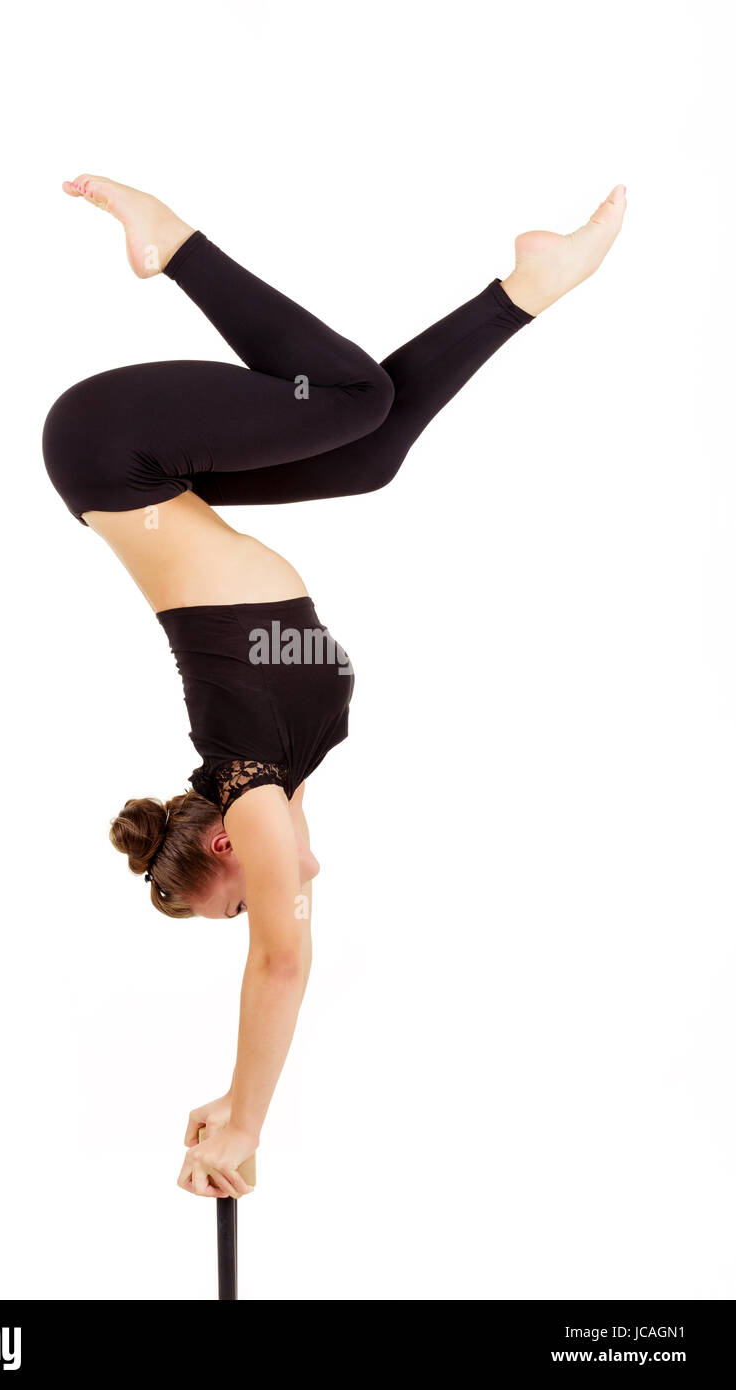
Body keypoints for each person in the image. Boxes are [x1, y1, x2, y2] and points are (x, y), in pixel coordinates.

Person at [42, 174, 626, 1196]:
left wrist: (245, 1125)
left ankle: (169, 242)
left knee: (353, 396)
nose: (268, 903)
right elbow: (286, 907)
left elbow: (278, 962)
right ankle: (528, 284)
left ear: (224, 845)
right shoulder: (286, 768)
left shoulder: (246, 771)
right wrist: (228, 1104)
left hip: (109, 445)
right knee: (371, 448)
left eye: (236, 905)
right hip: (142, 466)